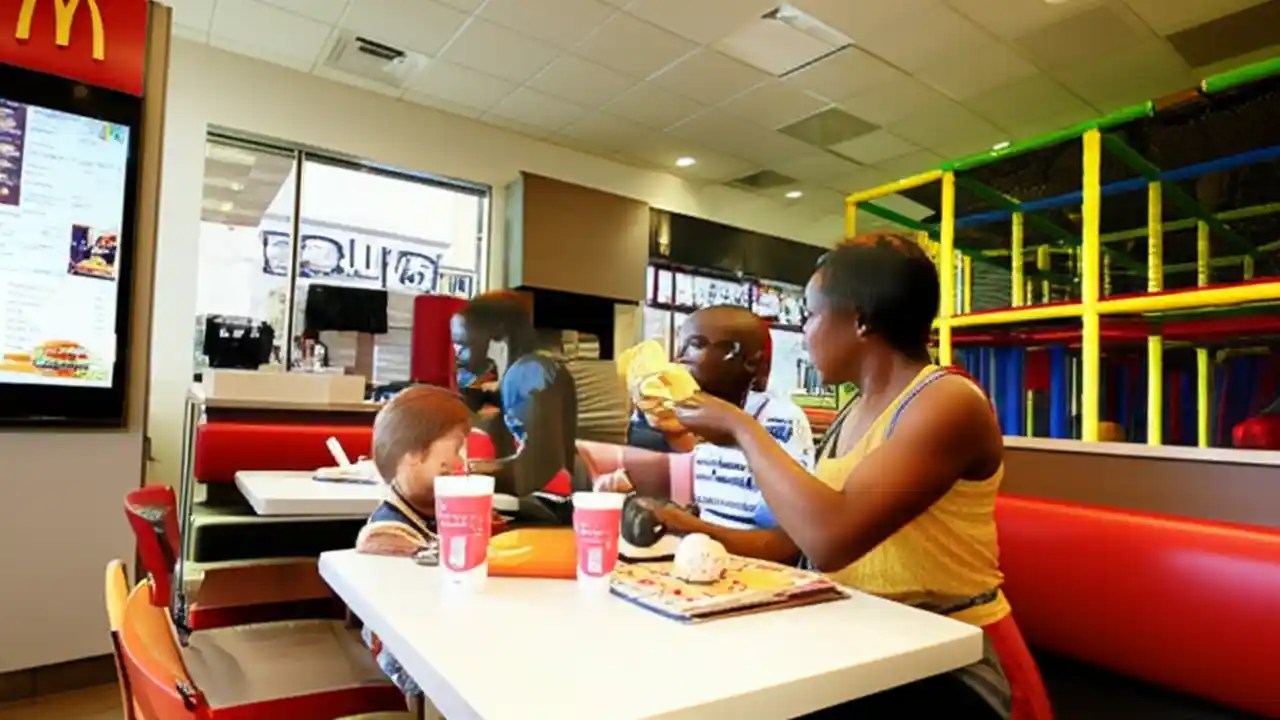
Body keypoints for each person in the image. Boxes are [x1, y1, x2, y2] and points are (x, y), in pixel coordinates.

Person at [672, 234, 1052, 720]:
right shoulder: (853, 411)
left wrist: (740, 426)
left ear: (859, 319)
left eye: (809, 314)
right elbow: (795, 544)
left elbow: (831, 538)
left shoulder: (948, 403)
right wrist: (683, 526)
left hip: (955, 659)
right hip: (865, 641)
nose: (803, 332)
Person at [605, 306, 815, 563]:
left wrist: (688, 526)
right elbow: (712, 512)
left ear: (750, 361)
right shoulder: (697, 420)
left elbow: (785, 547)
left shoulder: (779, 420)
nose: (679, 357)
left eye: (695, 344)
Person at [354, 385, 471, 697]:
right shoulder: (387, 534)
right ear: (414, 454)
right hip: (406, 671)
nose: (462, 464)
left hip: (438, 646)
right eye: (456, 449)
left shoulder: (430, 514)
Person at [452, 291, 586, 523]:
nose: (457, 355)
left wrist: (465, 472)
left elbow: (539, 468)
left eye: (462, 343)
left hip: (545, 510)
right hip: (540, 504)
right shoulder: (524, 371)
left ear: (497, 331)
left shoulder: (528, 373)